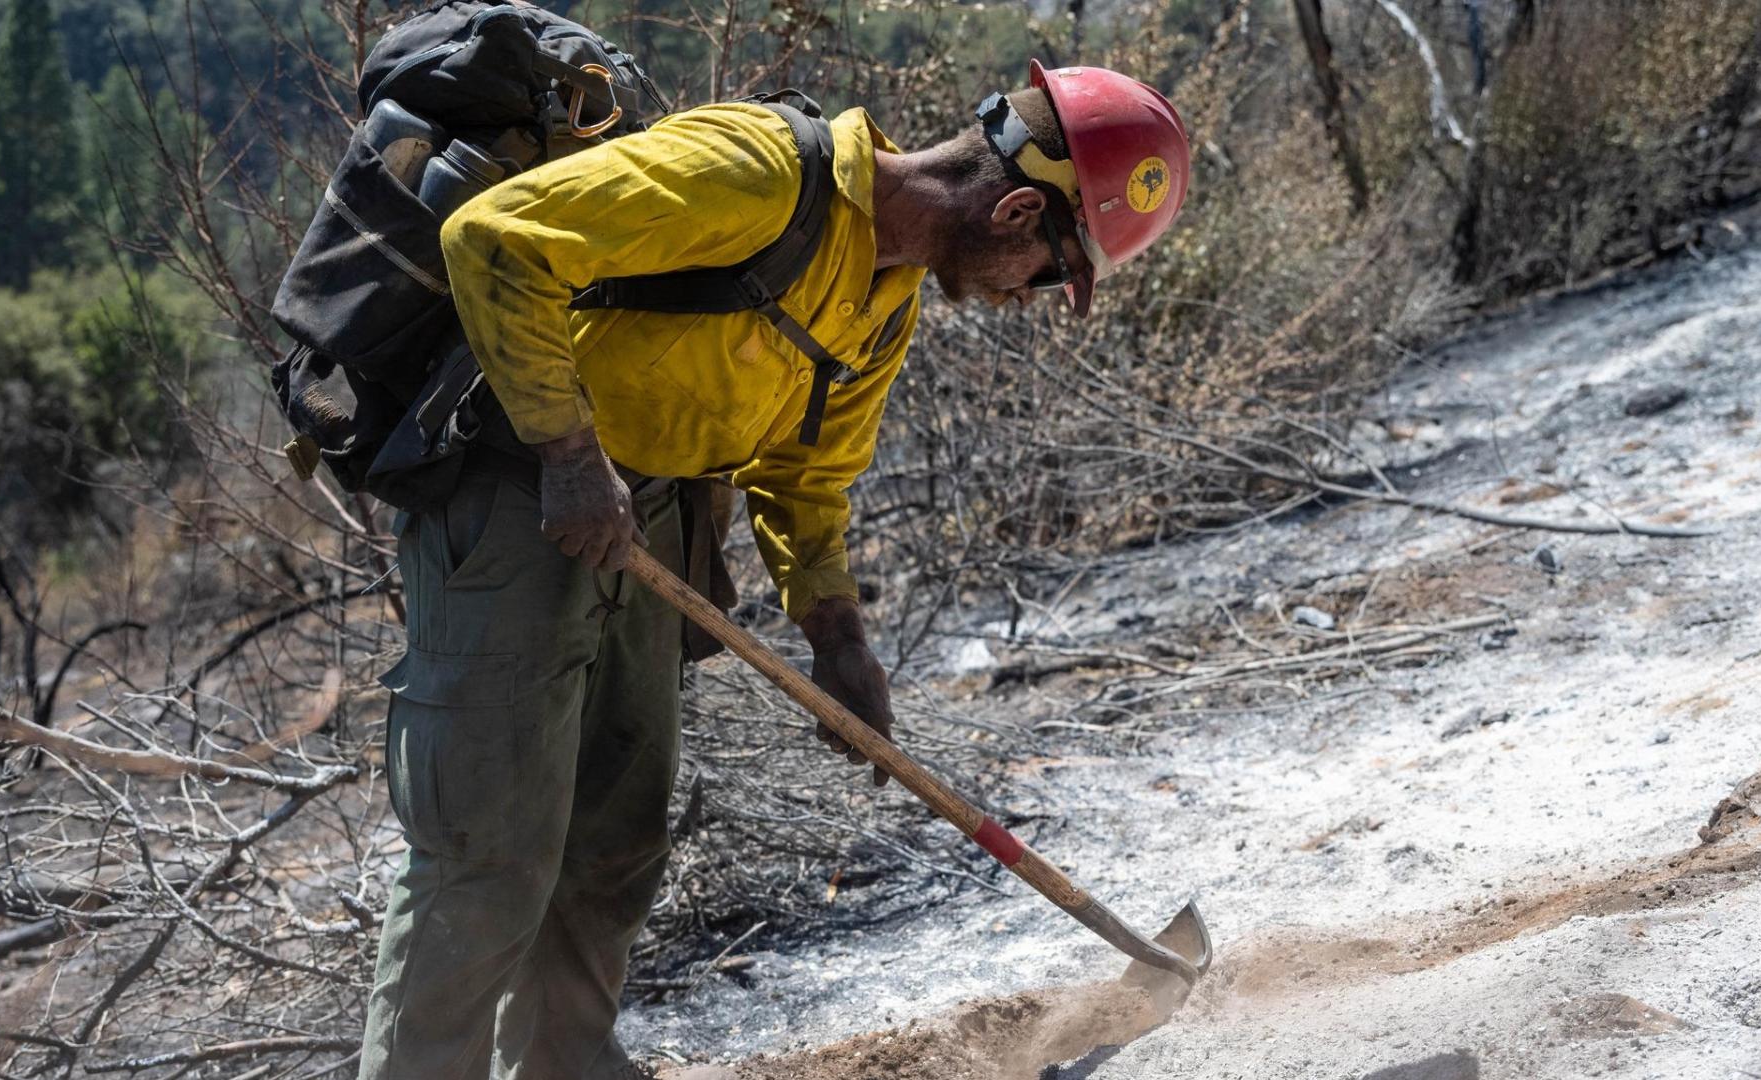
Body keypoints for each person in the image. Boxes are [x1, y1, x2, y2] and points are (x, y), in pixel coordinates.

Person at [356, 60, 1190, 1080]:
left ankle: (566, 1066)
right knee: (486, 853)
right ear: (1018, 210)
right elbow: (493, 240)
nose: (1037, 300)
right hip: (514, 490)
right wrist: (572, 458)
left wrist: (838, 638)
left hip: (647, 515)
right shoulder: (754, 173)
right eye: (1058, 273)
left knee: (617, 837)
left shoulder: (886, 301)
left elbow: (807, 475)